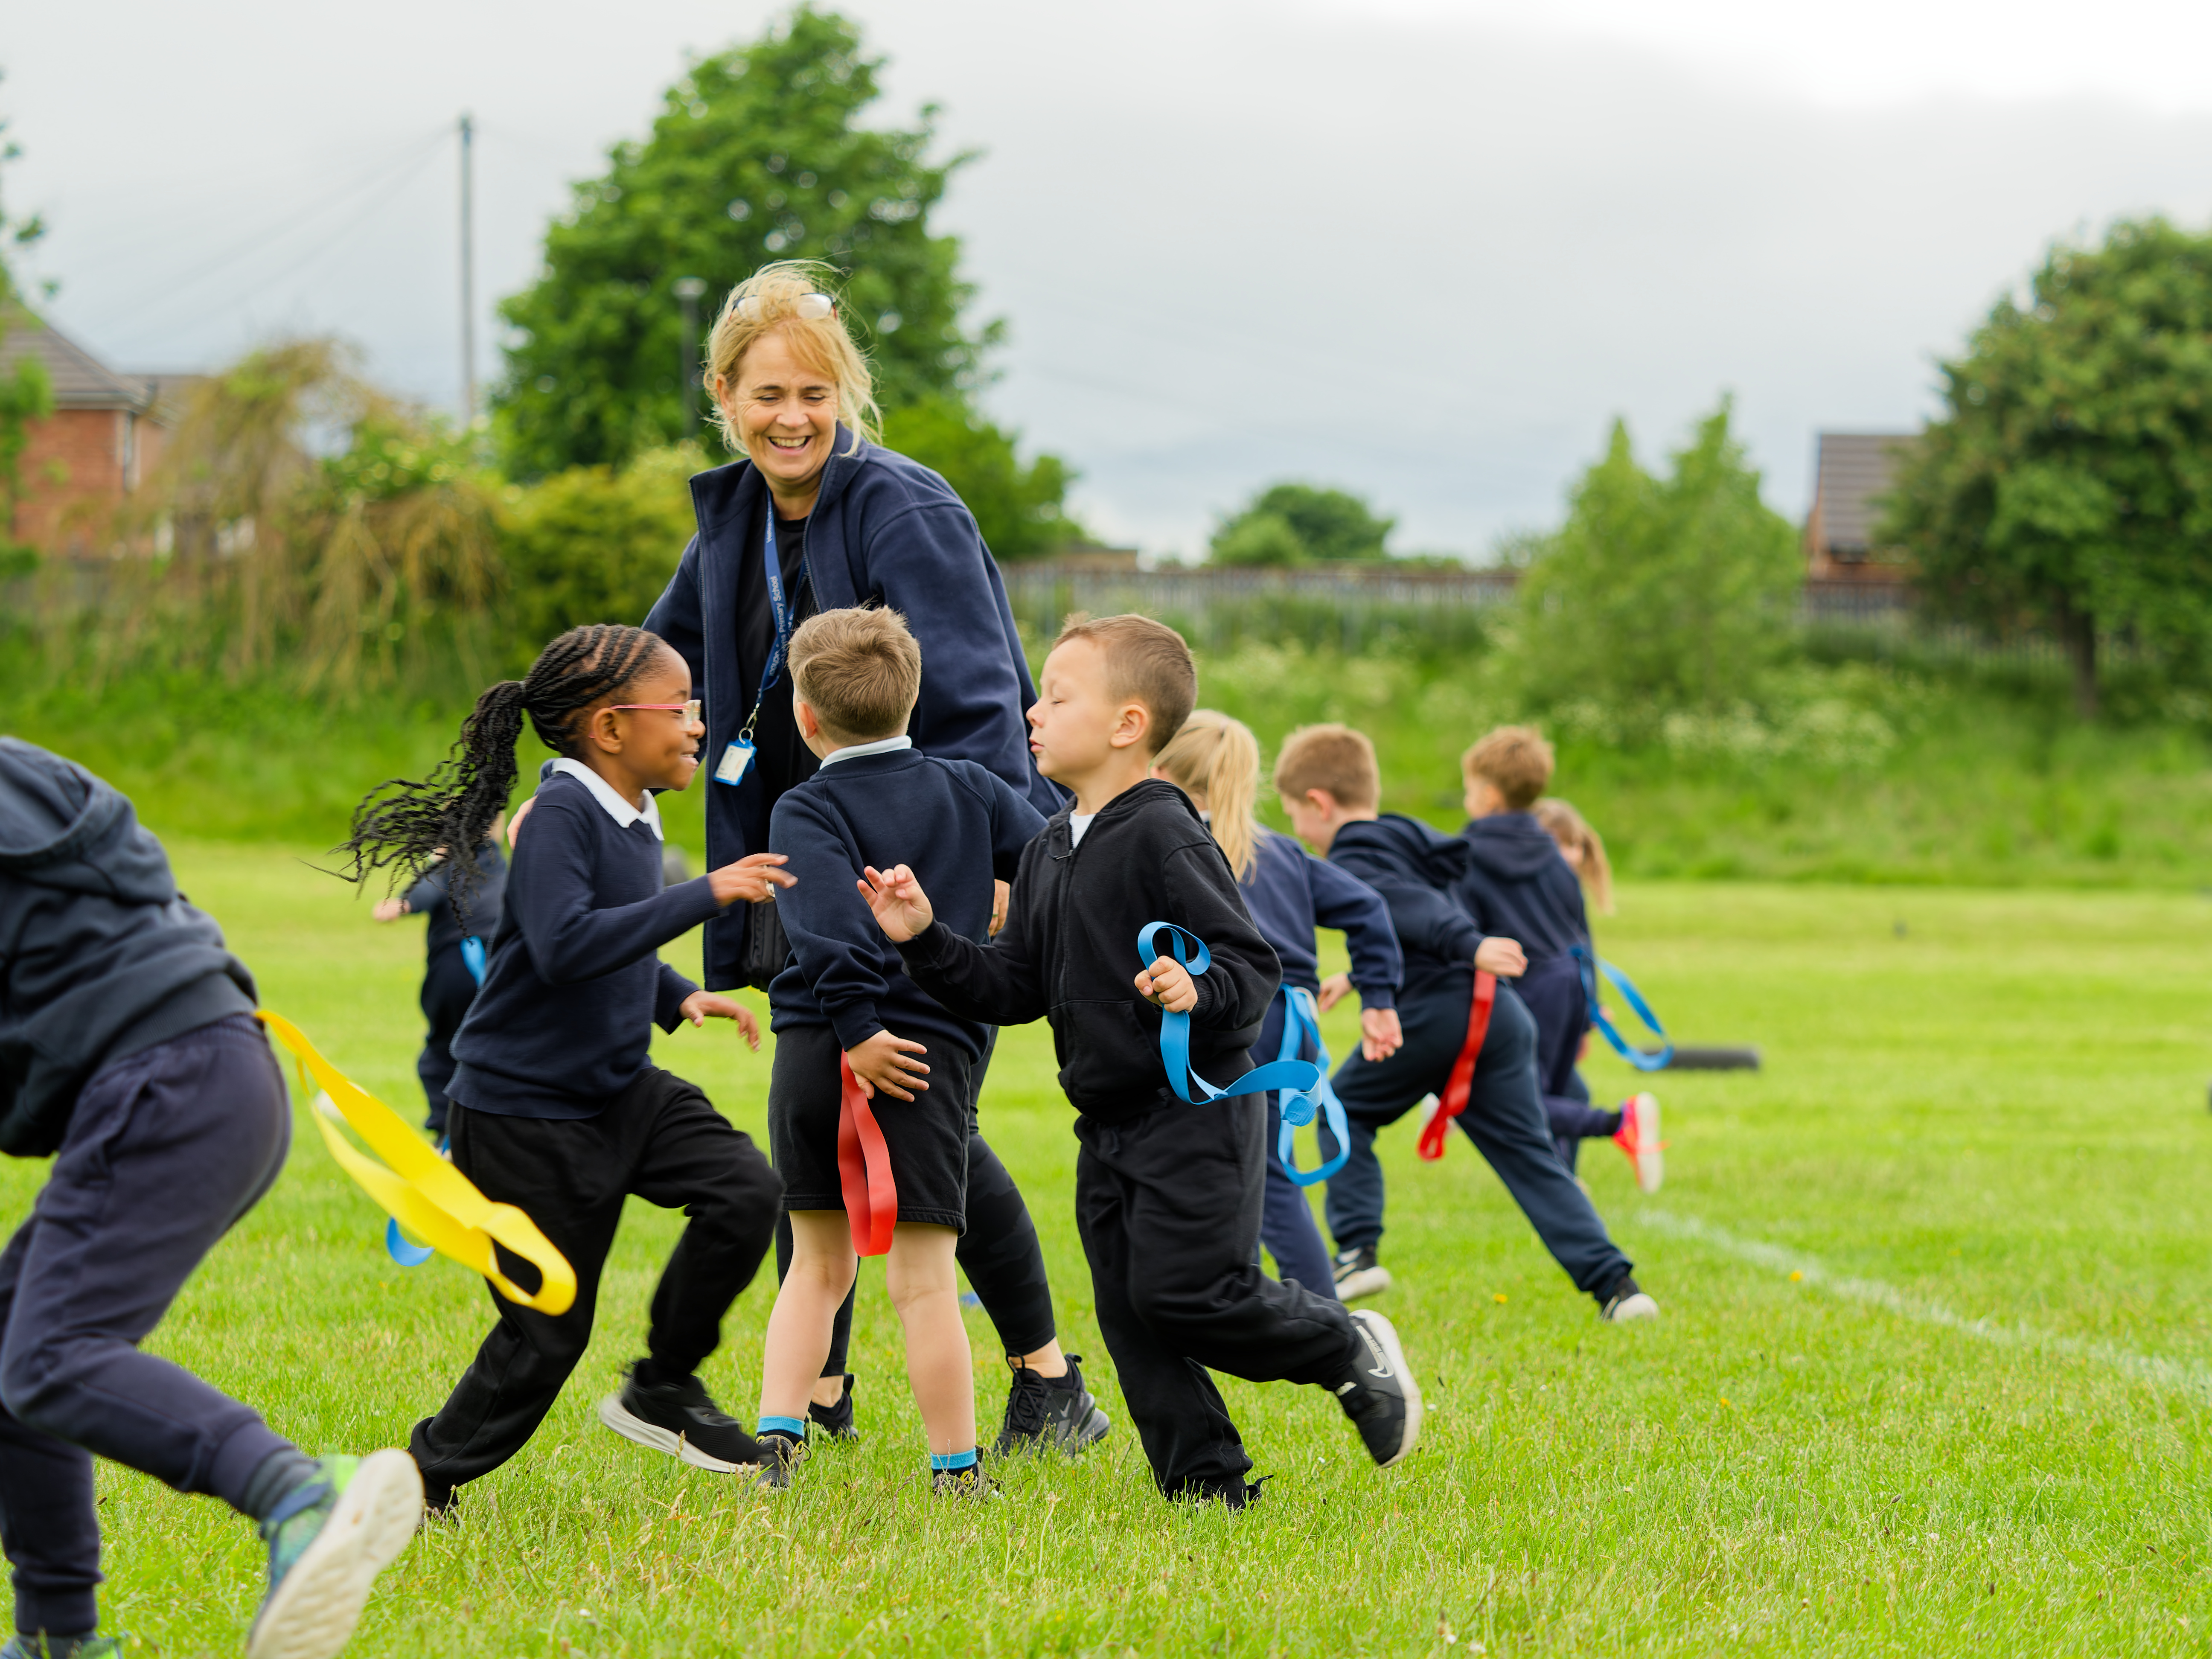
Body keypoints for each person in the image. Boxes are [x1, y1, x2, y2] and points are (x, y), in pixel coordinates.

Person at [636, 260, 1083, 1449]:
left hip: (925, 872)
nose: (793, 418)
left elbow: (984, 702)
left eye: (816, 395)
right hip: (802, 861)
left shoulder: (907, 508)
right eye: (768, 393)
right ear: (724, 395)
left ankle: (1046, 1385)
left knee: (923, 1117)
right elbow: (655, 668)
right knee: (827, 1107)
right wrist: (574, 775)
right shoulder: (731, 518)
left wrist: (1000, 872)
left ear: (847, 399)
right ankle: (828, 1391)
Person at [859, 616, 1422, 1506]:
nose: (1032, 712)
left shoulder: (1166, 832)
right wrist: (927, 939)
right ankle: (1207, 1488)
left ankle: (1343, 1346)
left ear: (1127, 724)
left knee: (1192, 1293)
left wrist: (1199, 993)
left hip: (1192, 1109)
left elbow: (1253, 965)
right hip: (1107, 1122)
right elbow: (1014, 987)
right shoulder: (1049, 847)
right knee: (1128, 1313)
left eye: (1056, 695)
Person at [338, 624, 793, 1510]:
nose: (699, 724)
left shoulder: (632, 809)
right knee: (546, 1334)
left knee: (744, 1191)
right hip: (523, 1116)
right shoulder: (561, 814)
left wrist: (673, 995)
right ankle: (420, 1484)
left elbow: (605, 929)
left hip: (620, 1086)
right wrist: (703, 893)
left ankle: (662, 1384)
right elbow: (559, 943)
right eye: (681, 707)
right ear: (610, 728)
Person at [0, 738, 419, 1659]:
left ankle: (302, 1492)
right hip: (216, 1068)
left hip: (165, 1081)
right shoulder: (31, 778)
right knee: (12, 1352)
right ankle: (57, 1636)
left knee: (50, 1357)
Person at [753, 607, 1094, 1494]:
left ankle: (777, 1447)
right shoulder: (977, 788)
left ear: (807, 717)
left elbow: (823, 925)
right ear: (918, 699)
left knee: (815, 1263)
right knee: (925, 1283)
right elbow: (1056, 869)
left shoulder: (805, 804)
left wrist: (852, 1026)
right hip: (922, 1060)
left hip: (813, 1054)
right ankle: (956, 1472)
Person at [1271, 723, 1658, 1323]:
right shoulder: (1411, 838)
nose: (1298, 827)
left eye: (1295, 813)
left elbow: (1400, 906)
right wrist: (1361, 976)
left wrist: (1466, 943)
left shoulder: (1353, 850)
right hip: (1498, 1014)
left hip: (1439, 1016)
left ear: (1318, 803)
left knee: (1342, 1109)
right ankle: (1619, 1287)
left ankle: (1356, 1250)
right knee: (1529, 1153)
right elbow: (1406, 913)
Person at [1150, 710, 1403, 1298]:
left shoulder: (1177, 844)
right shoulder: (1282, 850)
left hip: (1236, 1021)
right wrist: (1379, 997)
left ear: (1161, 769)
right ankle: (1240, 1290)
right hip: (1295, 1022)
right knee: (1250, 1168)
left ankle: (1324, 1316)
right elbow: (1368, 907)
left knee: (1252, 1172)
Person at [1456, 742, 1661, 1191]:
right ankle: (1566, 1180)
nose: (1466, 799)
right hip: (1570, 985)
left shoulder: (1468, 853)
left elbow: (1460, 929)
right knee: (1566, 1087)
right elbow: (1580, 936)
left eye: (1469, 788)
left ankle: (1620, 1122)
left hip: (1529, 991)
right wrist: (1590, 1001)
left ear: (1489, 795)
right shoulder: (1555, 859)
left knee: (1513, 1098)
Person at [370, 819, 507, 1137]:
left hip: (457, 967)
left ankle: (447, 1136)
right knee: (495, 1050)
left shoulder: (446, 867)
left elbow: (426, 890)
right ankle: (493, 1133)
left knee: (441, 1053)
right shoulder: (502, 868)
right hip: (501, 969)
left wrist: (401, 903)